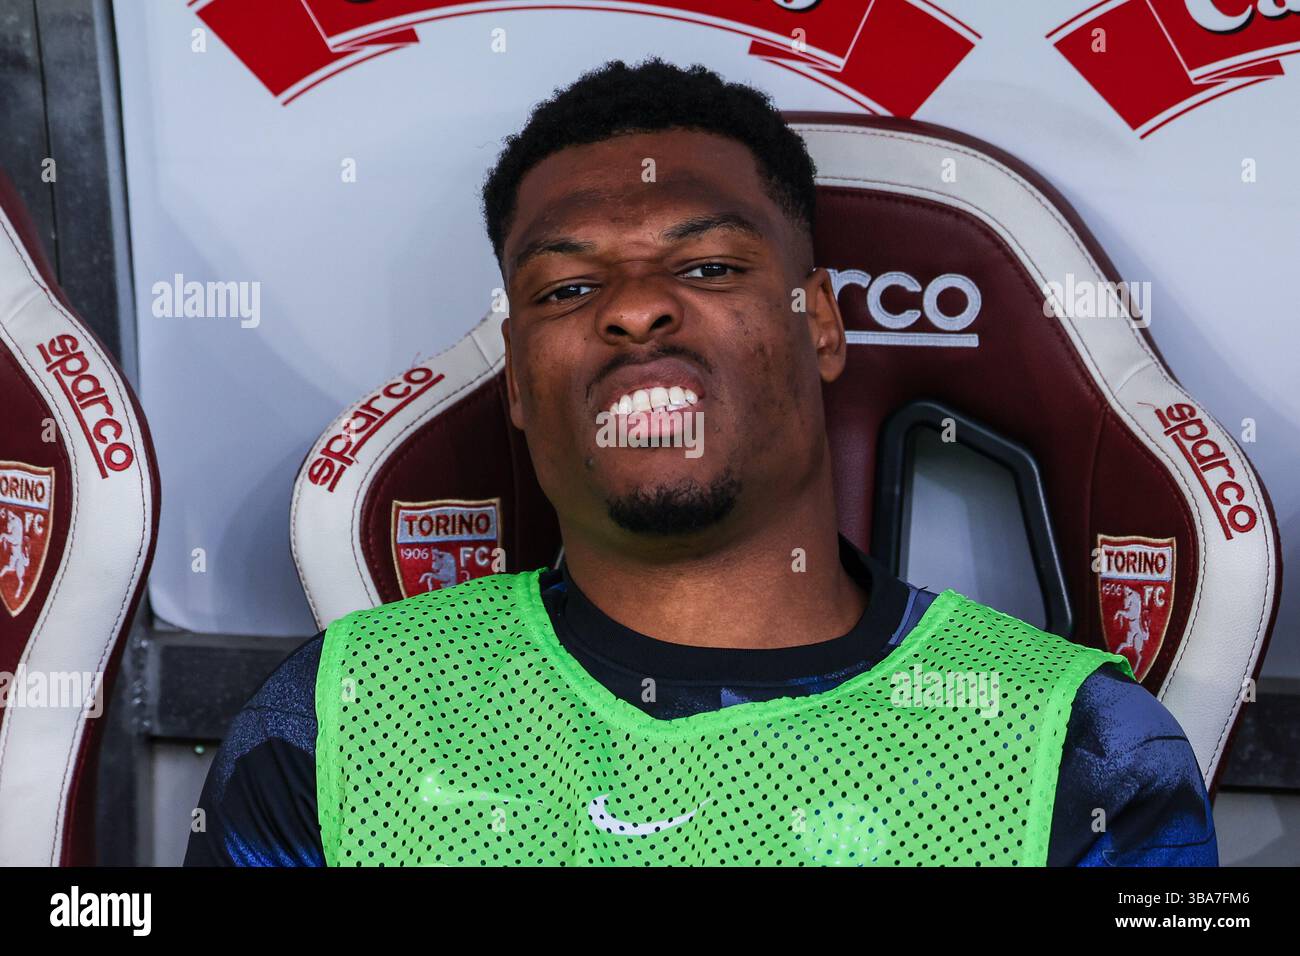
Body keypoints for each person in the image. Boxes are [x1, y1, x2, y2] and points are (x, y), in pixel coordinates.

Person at [186, 58, 1215, 867]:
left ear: (817, 323)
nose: (634, 308)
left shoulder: (1086, 749)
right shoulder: (333, 719)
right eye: (564, 288)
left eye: (709, 266)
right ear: (514, 379)